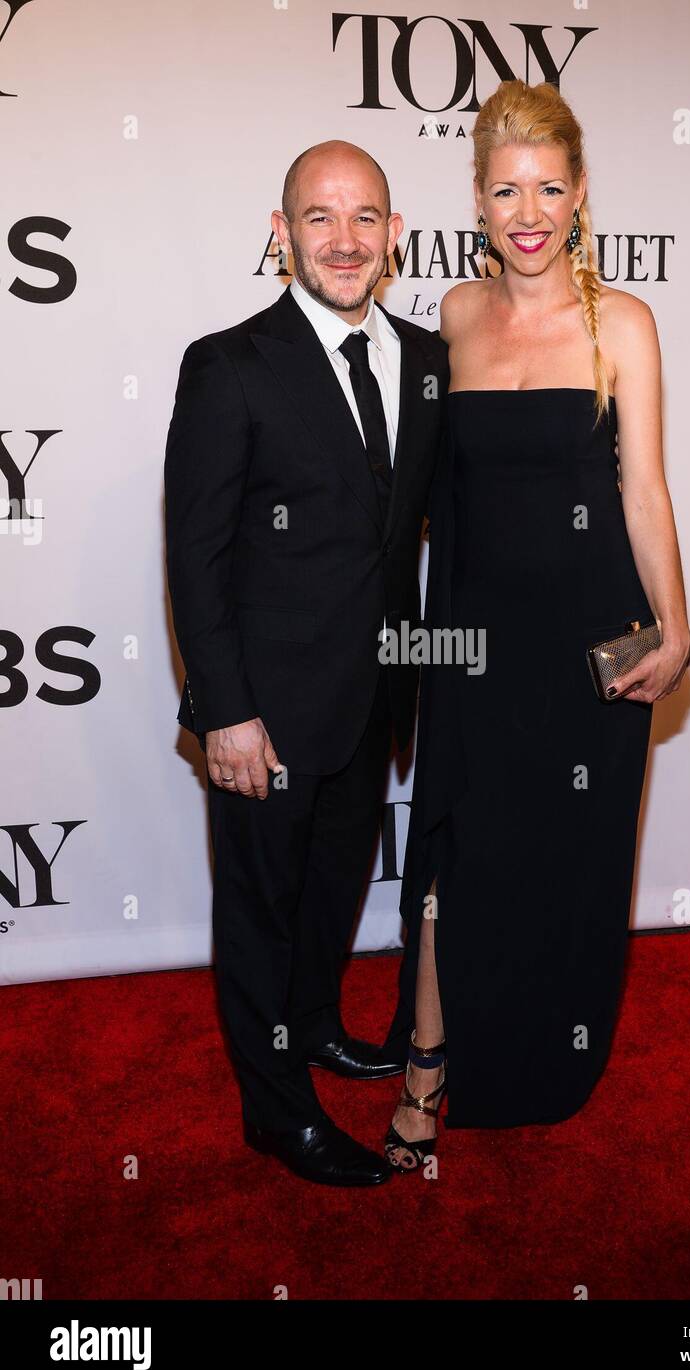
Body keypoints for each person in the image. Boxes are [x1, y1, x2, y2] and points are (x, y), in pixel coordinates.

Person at [381, 80, 690, 1170]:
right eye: (505, 188)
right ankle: (427, 1063)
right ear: (475, 198)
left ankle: (537, 1059)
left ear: (580, 196)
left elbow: (642, 494)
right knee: (448, 851)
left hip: (585, 647)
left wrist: (676, 625)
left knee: (562, 859)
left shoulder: (625, 326)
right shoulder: (455, 319)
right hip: (471, 642)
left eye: (548, 188)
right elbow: (427, 500)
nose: (527, 210)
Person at [164, 140, 448, 1186]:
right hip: (268, 714)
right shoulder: (229, 363)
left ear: (396, 235)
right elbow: (193, 555)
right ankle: (277, 1114)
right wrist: (225, 711)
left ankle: (316, 1025)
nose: (344, 239)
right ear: (280, 235)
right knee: (262, 910)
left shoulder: (424, 361)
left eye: (365, 216)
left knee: (330, 892)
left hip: (373, 697)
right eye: (319, 218)